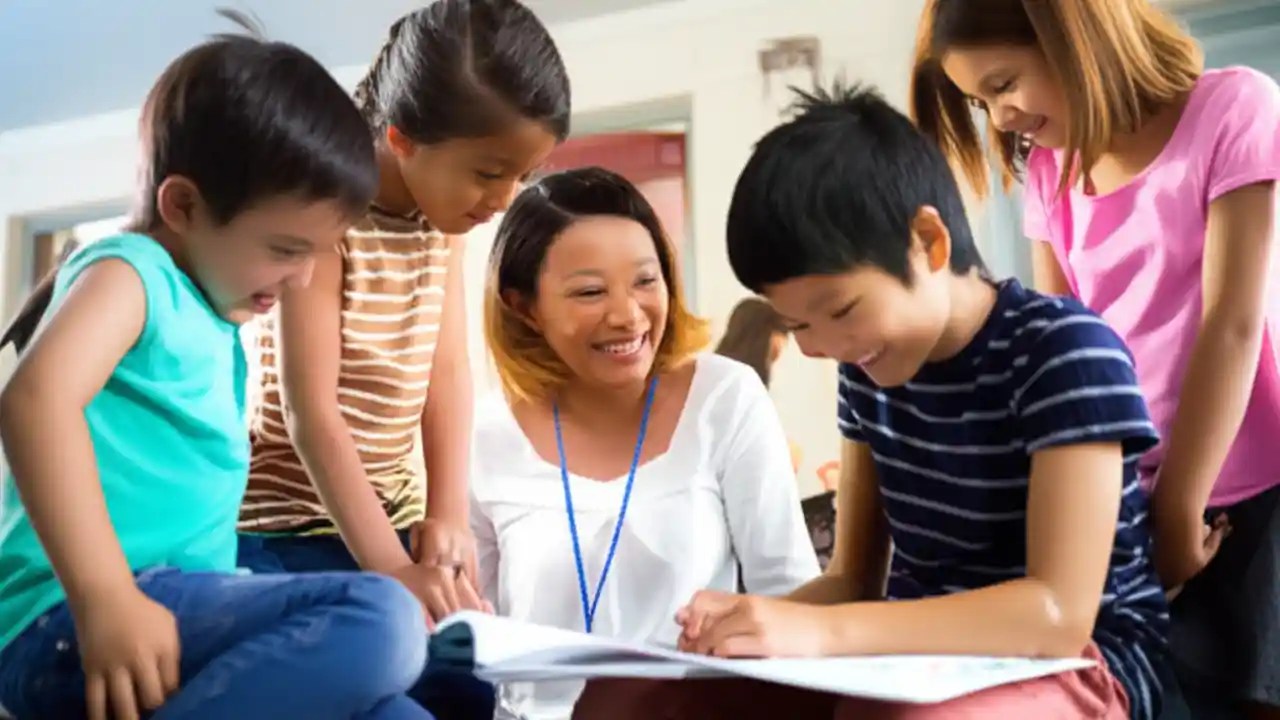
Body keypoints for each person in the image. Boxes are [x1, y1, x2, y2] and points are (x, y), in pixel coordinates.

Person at [579, 84, 1176, 720]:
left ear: (929, 242)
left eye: (839, 310)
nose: (821, 347)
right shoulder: (867, 373)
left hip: (1081, 664)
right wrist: (749, 622)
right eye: (797, 325)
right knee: (629, 695)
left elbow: (1055, 615)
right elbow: (852, 581)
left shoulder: (1064, 352)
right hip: (909, 663)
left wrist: (819, 635)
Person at [0, 20, 432, 720]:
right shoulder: (130, 274)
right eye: (286, 248)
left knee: (397, 712)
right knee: (381, 616)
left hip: (174, 623)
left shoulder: (210, 311)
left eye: (316, 256)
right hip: (74, 621)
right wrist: (105, 596)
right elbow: (34, 402)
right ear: (184, 205)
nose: (299, 281)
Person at [910, 1, 1280, 716]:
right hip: (1132, 502)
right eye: (981, 103)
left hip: (1255, 491)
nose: (1002, 117)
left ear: (1073, 39)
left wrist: (1178, 504)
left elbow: (1231, 323)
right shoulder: (1050, 174)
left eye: (1004, 84)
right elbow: (1063, 354)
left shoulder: (1235, 108)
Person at [473, 167, 820, 720]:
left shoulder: (724, 397)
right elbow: (475, 638)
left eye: (645, 280)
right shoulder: (484, 433)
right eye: (590, 291)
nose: (627, 315)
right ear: (524, 307)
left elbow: (792, 596)